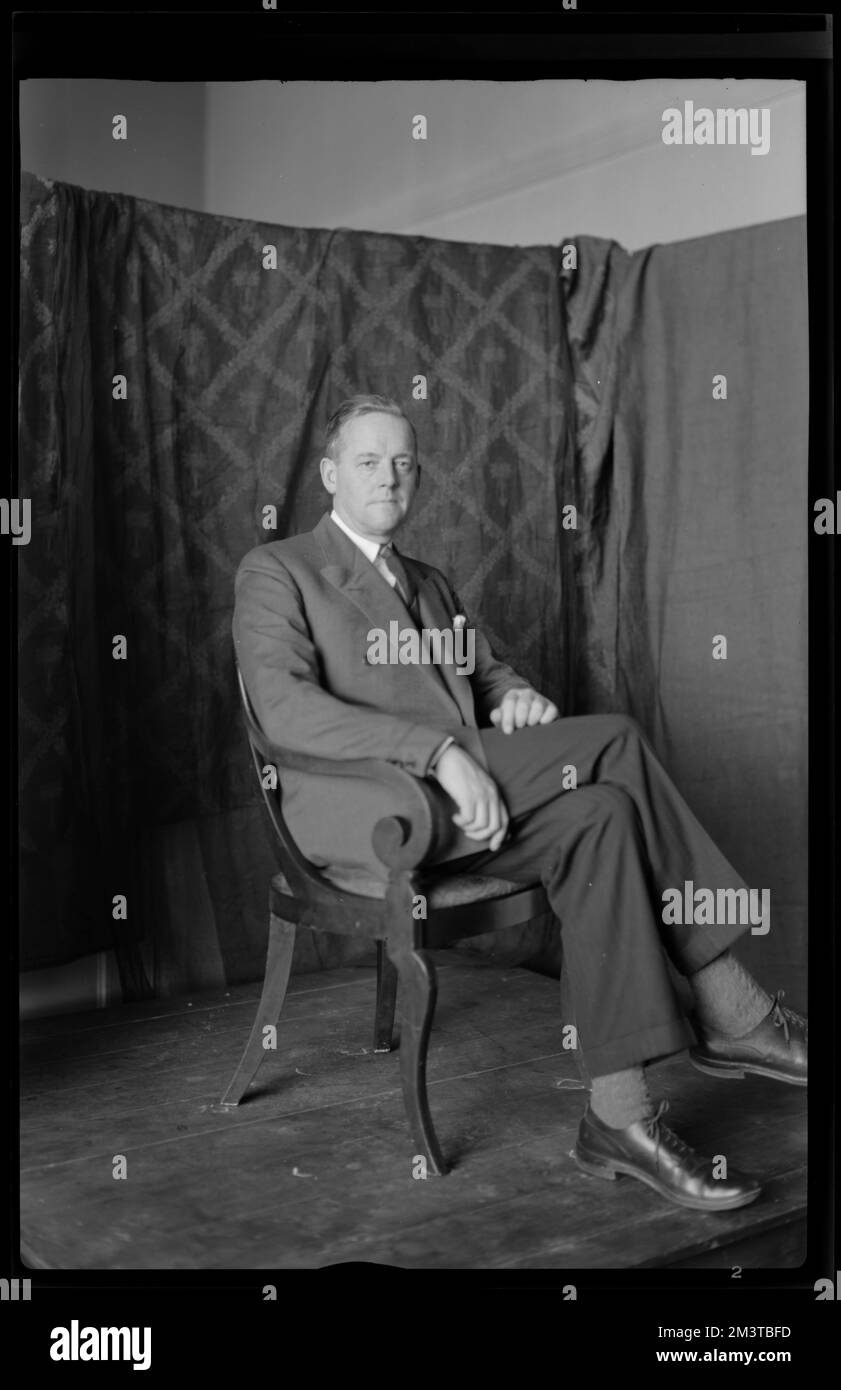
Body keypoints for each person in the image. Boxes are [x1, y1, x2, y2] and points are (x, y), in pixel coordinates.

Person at [232, 394, 806, 1213]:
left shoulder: (427, 584)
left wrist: (514, 701)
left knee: (602, 816)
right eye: (367, 461)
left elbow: (486, 672)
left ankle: (620, 1119)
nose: (388, 476)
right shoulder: (277, 568)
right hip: (373, 813)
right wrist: (438, 752)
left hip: (466, 802)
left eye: (402, 462)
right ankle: (732, 1007)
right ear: (329, 474)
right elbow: (283, 710)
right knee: (611, 741)